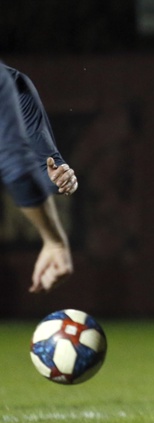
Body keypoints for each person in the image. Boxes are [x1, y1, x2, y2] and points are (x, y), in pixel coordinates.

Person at [1, 64, 75, 292]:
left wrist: (55, 178)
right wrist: (54, 241)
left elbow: (45, 167)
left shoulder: (14, 85)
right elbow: (16, 168)